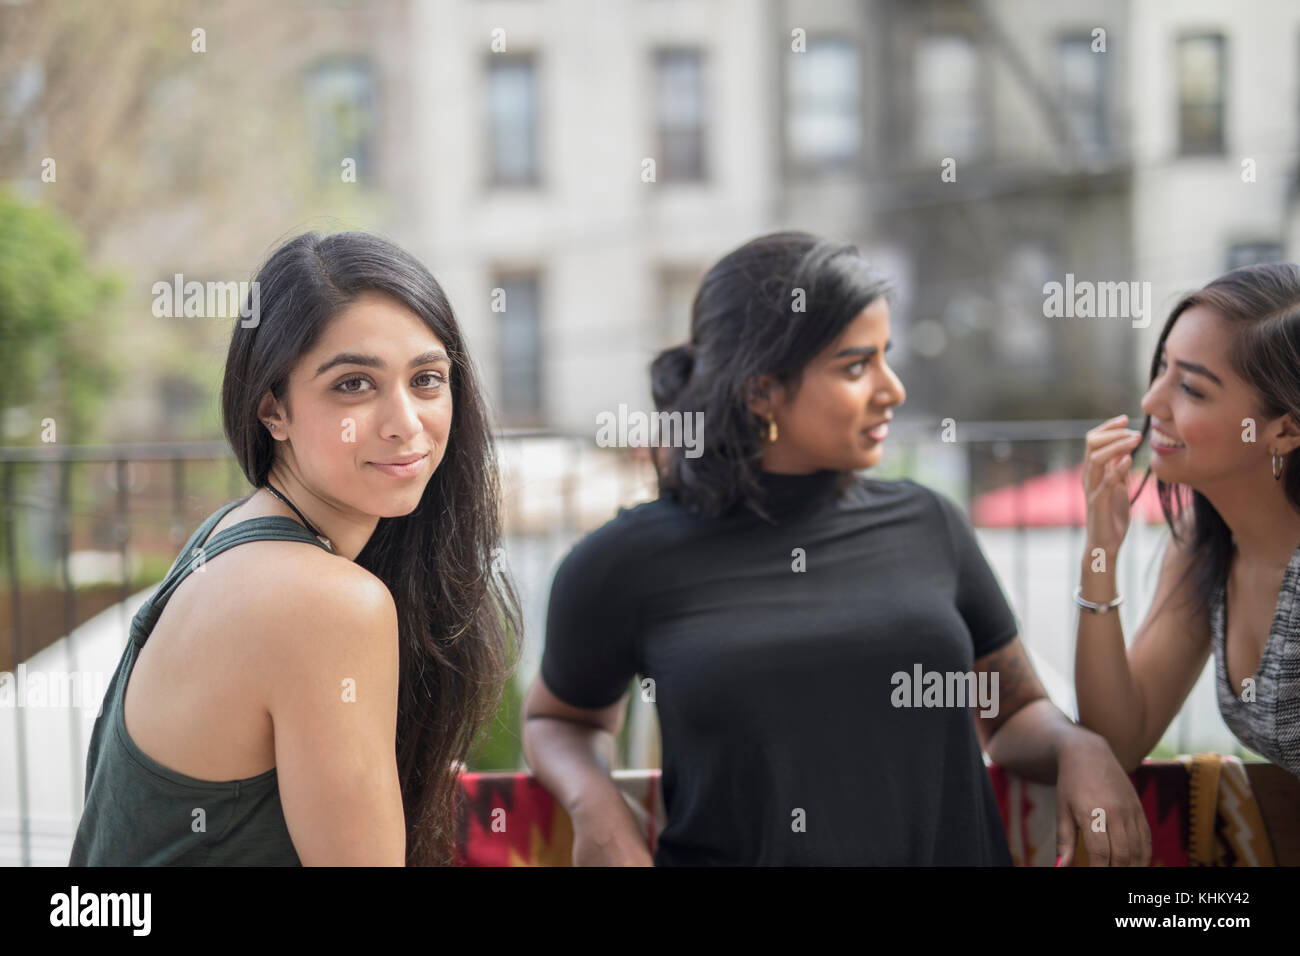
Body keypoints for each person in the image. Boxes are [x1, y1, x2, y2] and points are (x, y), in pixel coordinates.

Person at [522, 231, 1149, 866]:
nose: (892, 389)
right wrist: (595, 809)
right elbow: (558, 721)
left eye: (886, 356)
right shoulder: (624, 560)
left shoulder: (930, 523)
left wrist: (1079, 748)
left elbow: (1012, 716)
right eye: (856, 366)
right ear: (761, 390)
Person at [69, 230, 520, 866]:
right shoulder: (324, 600)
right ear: (272, 411)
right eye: (354, 385)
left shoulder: (232, 534)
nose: (405, 422)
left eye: (426, 379)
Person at [1075, 263, 1300, 780]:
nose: (1152, 402)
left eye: (1192, 390)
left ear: (1284, 430)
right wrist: (1100, 553)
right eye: (1162, 369)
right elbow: (1118, 739)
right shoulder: (1204, 542)